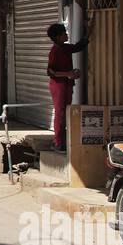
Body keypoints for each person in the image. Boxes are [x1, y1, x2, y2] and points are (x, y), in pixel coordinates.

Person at [46, 21, 90, 152]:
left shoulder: (64, 48)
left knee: (65, 113)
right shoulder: (55, 51)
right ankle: (58, 142)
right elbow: (50, 71)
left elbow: (78, 47)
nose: (67, 35)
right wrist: (68, 74)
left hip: (66, 84)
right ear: (58, 37)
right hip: (58, 85)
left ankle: (62, 141)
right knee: (60, 114)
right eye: (64, 33)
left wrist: (88, 32)